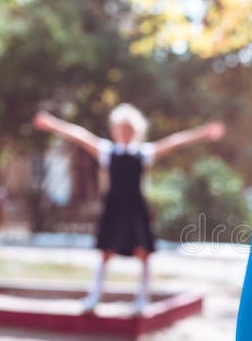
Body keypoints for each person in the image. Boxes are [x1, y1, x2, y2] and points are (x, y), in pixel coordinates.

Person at [33, 104, 225, 314]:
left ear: (136, 131)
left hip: (135, 207)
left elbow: (174, 141)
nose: (124, 133)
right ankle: (94, 297)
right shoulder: (107, 151)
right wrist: (52, 124)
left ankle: (142, 300)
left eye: (129, 129)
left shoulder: (144, 153)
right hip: (114, 207)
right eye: (121, 128)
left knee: (143, 253)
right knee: (106, 253)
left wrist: (203, 133)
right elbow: (79, 135)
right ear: (114, 129)